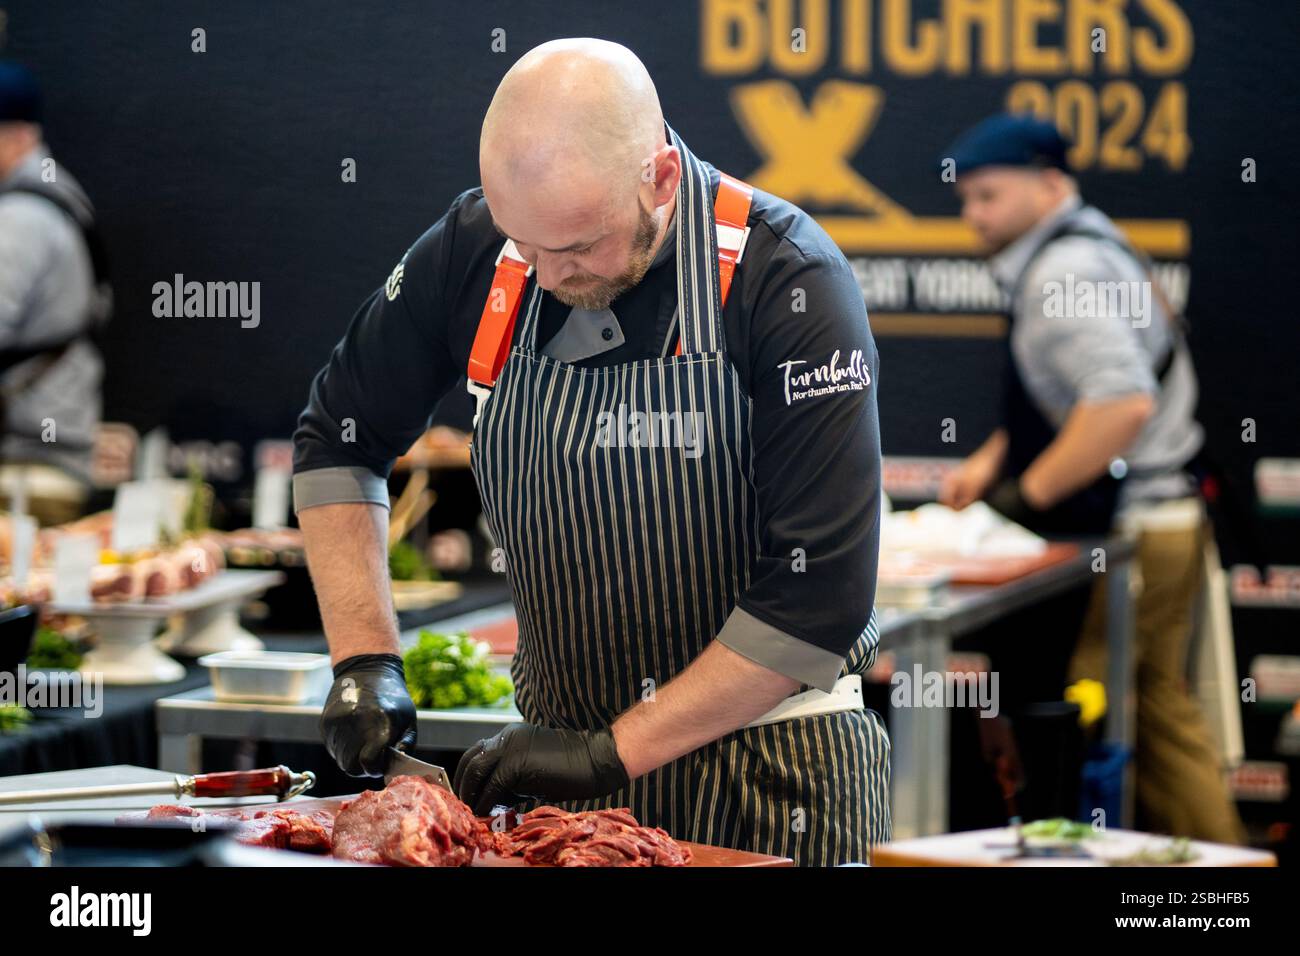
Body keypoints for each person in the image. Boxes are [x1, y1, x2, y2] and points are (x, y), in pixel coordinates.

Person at [292, 38, 889, 866]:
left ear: (661, 179)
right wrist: (364, 660)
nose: (543, 274)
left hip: (772, 782)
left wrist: (606, 753)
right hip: (562, 809)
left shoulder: (786, 280)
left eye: (575, 250)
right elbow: (337, 439)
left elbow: (817, 604)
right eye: (523, 245)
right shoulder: (484, 250)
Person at [937, 113, 1245, 843]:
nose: (972, 215)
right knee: (1154, 712)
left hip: (1132, 528)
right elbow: (1083, 394)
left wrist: (1022, 500)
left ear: (1049, 185)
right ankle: (1222, 868)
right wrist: (992, 462)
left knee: (1094, 720)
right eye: (966, 199)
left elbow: (1118, 404)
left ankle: (1203, 876)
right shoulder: (1088, 243)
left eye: (988, 196)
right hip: (1162, 517)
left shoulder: (1059, 273)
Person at [0, 62, 109, 526]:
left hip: (25, 473)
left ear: (19, 135)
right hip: (48, 462)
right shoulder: (58, 192)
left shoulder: (21, 216)